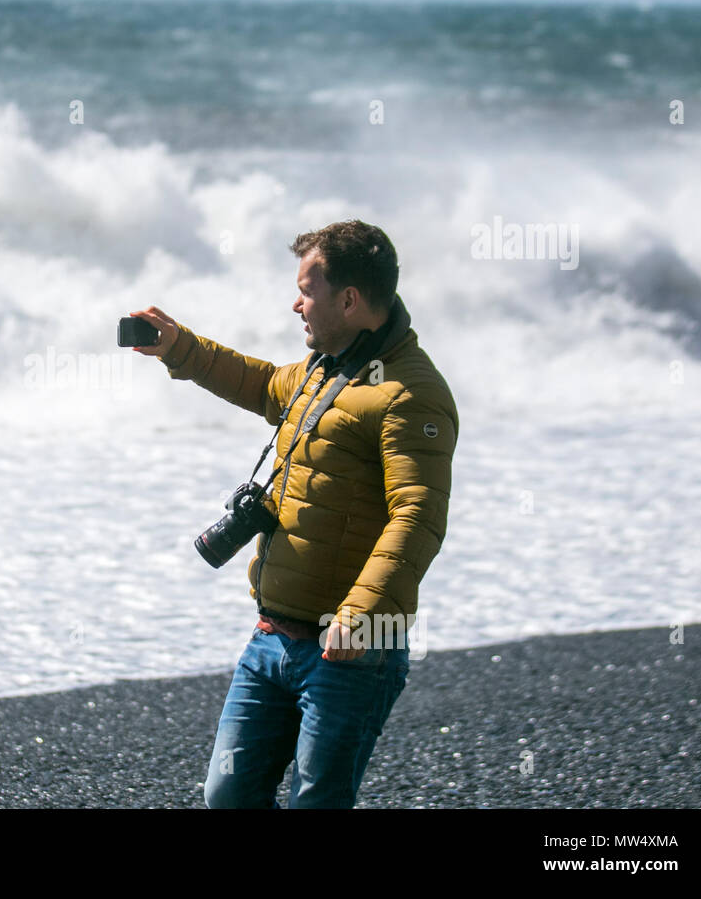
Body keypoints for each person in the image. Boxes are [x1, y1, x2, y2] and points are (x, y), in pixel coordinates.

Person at [130, 219, 458, 808]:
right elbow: (259, 383)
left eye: (307, 291)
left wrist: (359, 615)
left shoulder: (412, 394)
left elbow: (417, 518)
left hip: (351, 652)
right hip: (272, 638)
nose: (296, 304)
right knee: (227, 797)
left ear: (350, 300)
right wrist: (179, 347)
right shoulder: (323, 367)